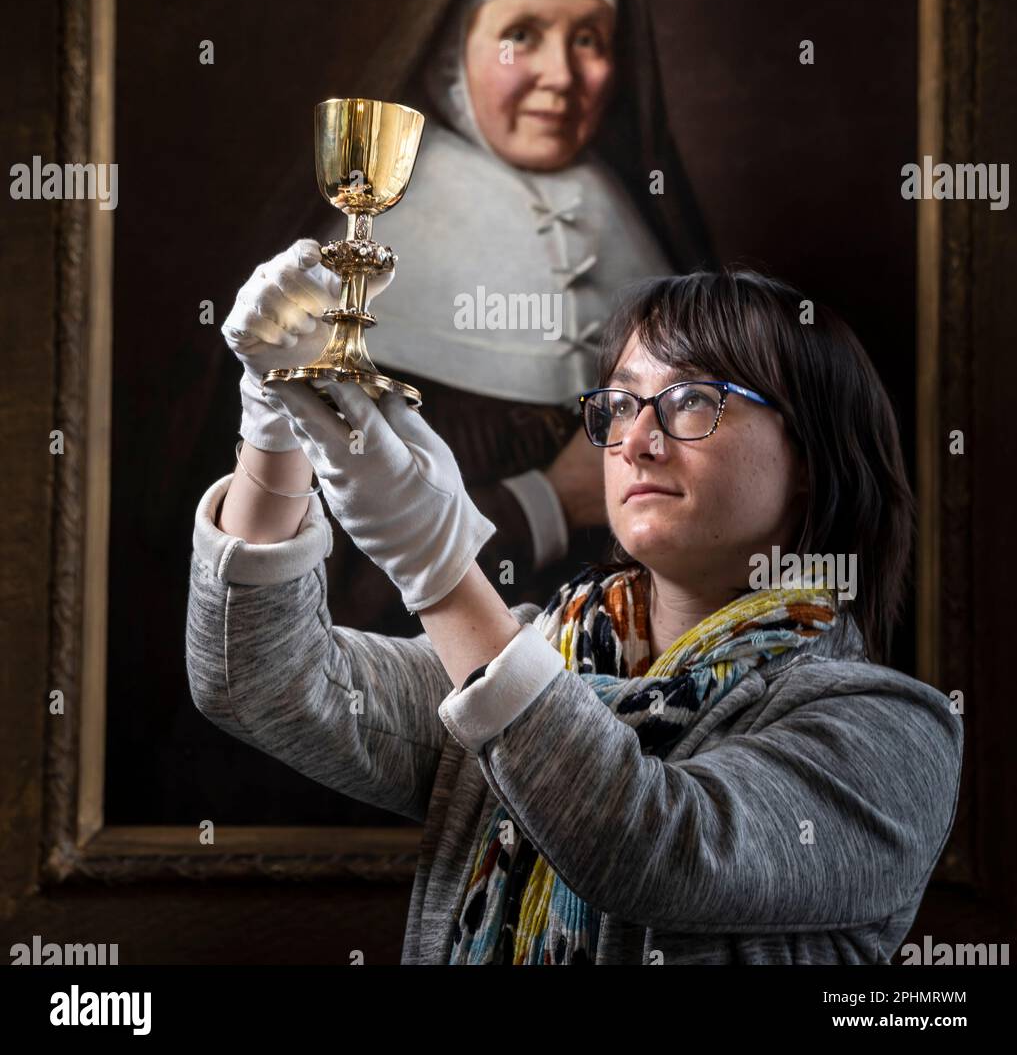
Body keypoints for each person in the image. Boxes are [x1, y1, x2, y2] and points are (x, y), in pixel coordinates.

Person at [186, 264, 963, 965]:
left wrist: (437, 567)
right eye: (620, 404)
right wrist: (274, 422)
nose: (637, 441)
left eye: (692, 399)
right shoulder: (535, 661)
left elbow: (649, 847)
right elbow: (264, 682)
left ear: (812, 459)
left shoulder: (890, 732)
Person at [212, 0, 714, 645]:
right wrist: (549, 503)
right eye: (521, 35)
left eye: (589, 40)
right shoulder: (355, 260)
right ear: (453, 53)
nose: (561, 77)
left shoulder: (650, 224)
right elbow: (334, 580)